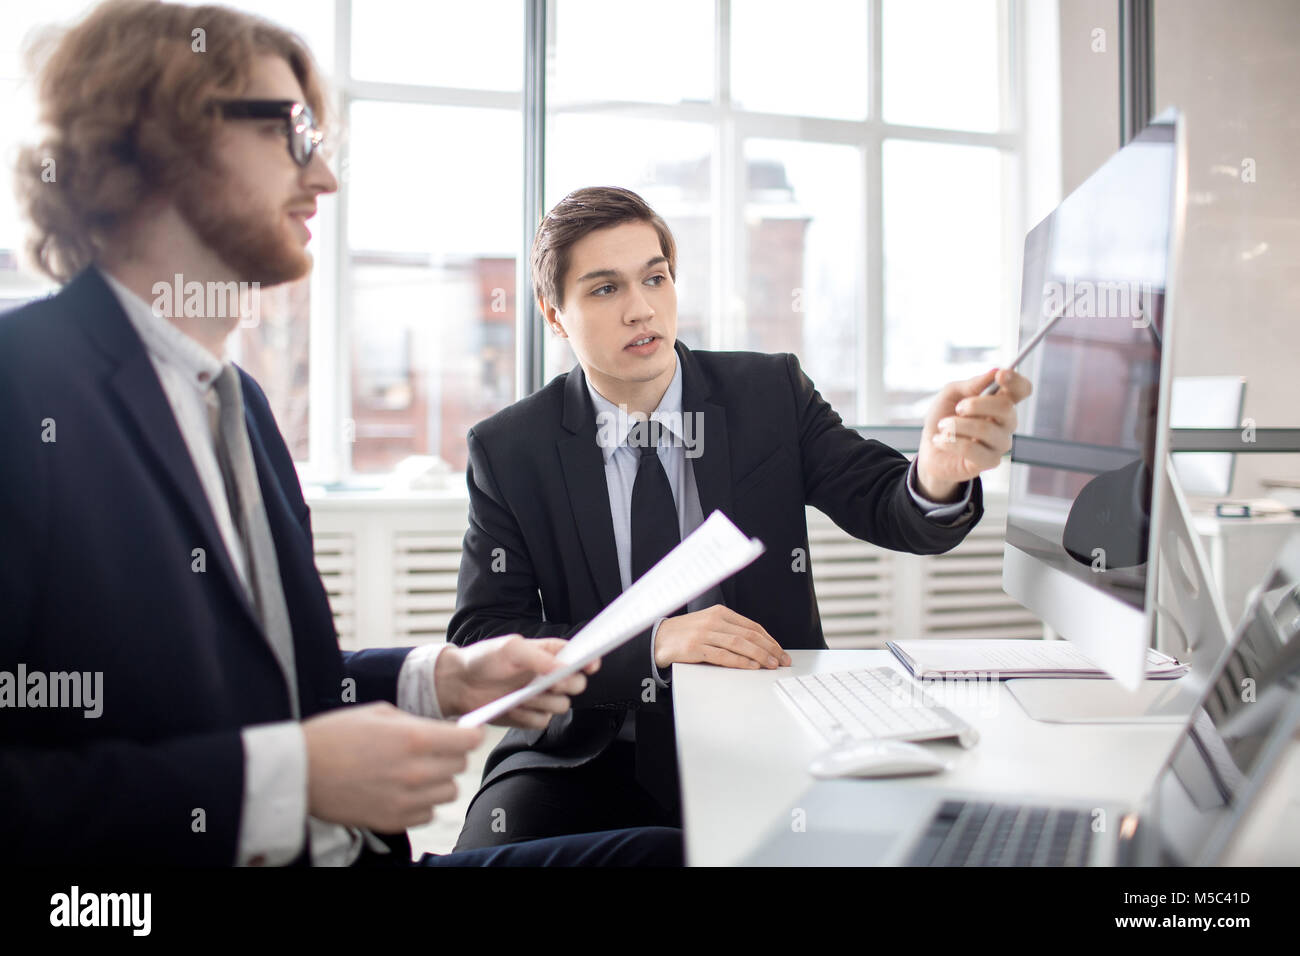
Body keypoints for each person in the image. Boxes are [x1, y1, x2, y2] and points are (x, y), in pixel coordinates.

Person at [0, 0, 678, 867]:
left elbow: (275, 684)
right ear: (158, 137)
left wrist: (436, 679)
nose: (322, 175)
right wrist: (282, 782)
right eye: (291, 132)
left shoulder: (236, 402)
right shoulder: (23, 390)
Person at [449, 186, 1033, 848]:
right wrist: (652, 642)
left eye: (654, 278)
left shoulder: (768, 394)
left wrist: (937, 473)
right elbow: (483, 634)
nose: (640, 308)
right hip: (586, 747)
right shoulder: (510, 448)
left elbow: (889, 504)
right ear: (555, 316)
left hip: (771, 724)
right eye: (605, 289)